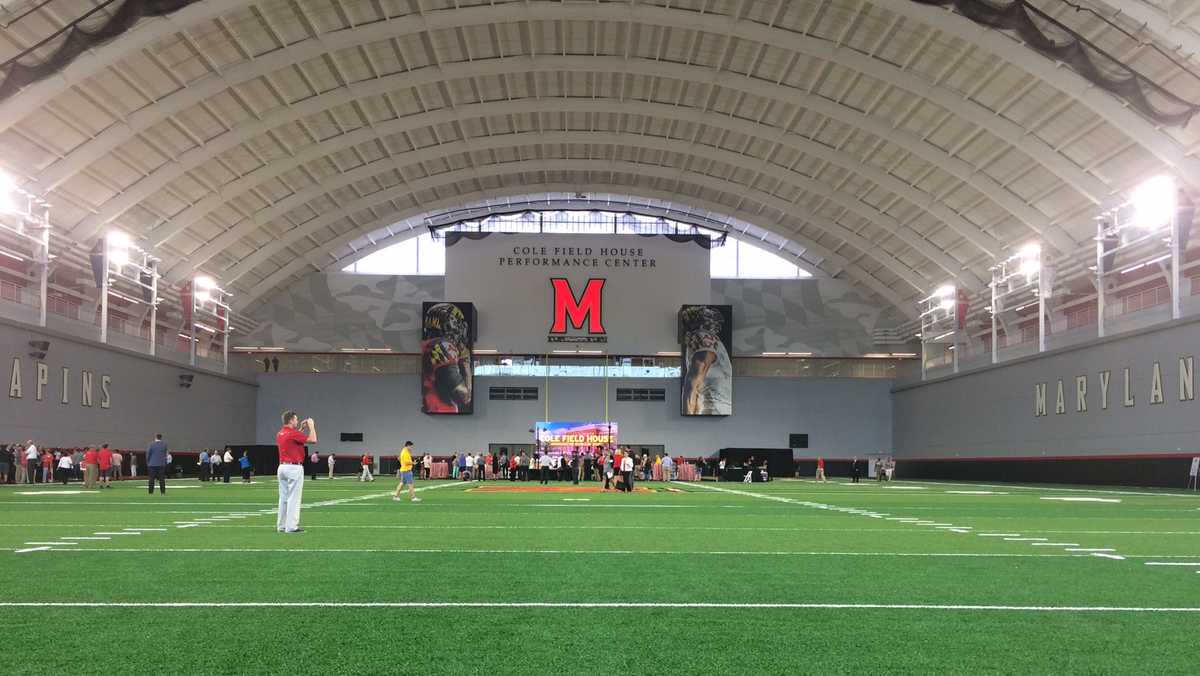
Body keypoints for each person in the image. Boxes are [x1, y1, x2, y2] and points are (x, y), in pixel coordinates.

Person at [680, 306, 733, 415]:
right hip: (716, 407)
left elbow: (692, 384)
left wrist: (687, 418)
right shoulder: (711, 341)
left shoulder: (704, 336)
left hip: (713, 408)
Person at [276, 411, 316, 533]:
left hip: (282, 467)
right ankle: (292, 527)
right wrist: (312, 426)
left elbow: (294, 439)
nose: (297, 421)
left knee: (283, 498)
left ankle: (281, 525)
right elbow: (313, 440)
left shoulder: (280, 433)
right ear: (291, 420)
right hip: (294, 468)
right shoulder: (292, 433)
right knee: (294, 498)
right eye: (296, 419)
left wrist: (301, 429)